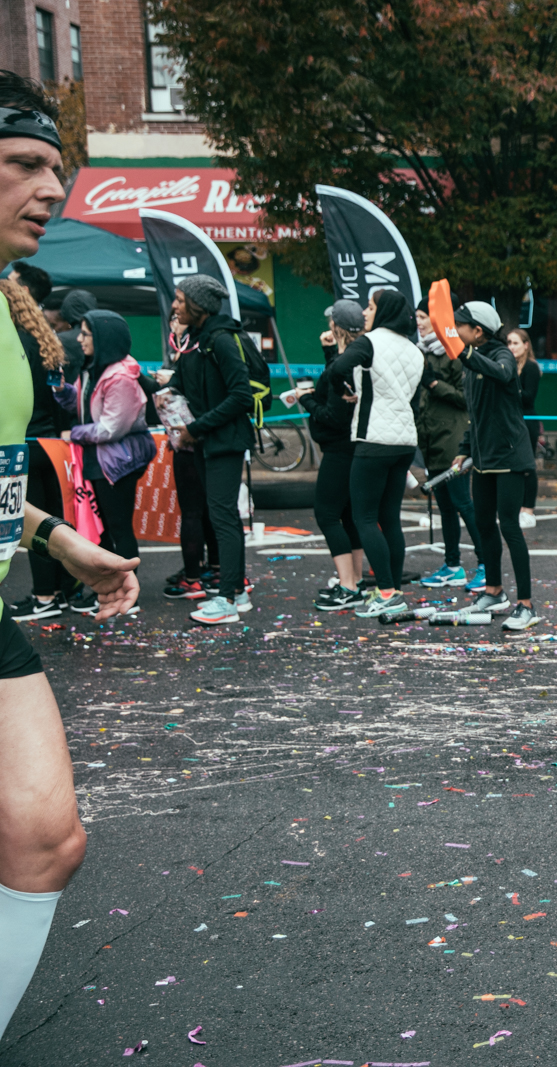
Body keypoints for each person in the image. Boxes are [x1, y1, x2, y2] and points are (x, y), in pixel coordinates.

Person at [0, 69, 140, 1041]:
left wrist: (54, 538)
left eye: (56, 168)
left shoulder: (9, 312)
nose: (52, 189)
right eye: (21, 165)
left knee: (47, 838)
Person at [326, 290, 424, 618]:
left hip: (373, 439)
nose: (366, 313)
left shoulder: (369, 342)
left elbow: (337, 369)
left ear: (383, 312)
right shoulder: (414, 350)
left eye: (370, 307)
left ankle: (387, 592)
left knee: (364, 518)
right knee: (388, 519)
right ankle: (393, 589)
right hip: (405, 440)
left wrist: (344, 392)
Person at [171, 274, 256, 626]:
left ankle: (227, 601)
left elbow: (241, 396)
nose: (173, 306)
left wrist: (195, 428)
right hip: (209, 441)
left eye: (179, 299)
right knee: (225, 517)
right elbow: (188, 385)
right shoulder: (194, 340)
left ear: (198, 305)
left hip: (224, 442)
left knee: (222, 518)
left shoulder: (221, 340)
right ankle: (235, 593)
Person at [56, 310, 155, 613]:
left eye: (85, 333)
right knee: (102, 530)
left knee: (118, 527)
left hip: (116, 462)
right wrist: (63, 391)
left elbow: (112, 428)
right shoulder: (93, 369)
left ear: (103, 339)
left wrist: (73, 433)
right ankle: (110, 587)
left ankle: (128, 591)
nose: (79, 338)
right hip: (97, 459)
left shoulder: (122, 376)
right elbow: (87, 407)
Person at [453, 301, 541, 631]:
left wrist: (465, 355)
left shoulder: (500, 353)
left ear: (477, 330)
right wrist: (464, 449)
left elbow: (504, 373)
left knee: (509, 527)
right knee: (484, 525)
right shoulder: (471, 362)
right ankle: (494, 592)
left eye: (460, 326)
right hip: (484, 459)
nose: (455, 332)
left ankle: (527, 605)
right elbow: (476, 414)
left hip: (509, 457)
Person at [286, 300, 367, 609]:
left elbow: (333, 414)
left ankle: (347, 585)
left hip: (339, 447)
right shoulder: (356, 357)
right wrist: (330, 352)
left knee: (328, 513)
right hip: (353, 445)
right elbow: (338, 380)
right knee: (347, 515)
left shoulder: (345, 362)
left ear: (336, 327)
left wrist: (305, 400)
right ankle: (355, 581)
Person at [3, 276, 74, 621]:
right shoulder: (44, 340)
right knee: (55, 519)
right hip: (52, 445)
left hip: (26, 446)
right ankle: (59, 591)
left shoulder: (13, 342)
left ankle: (45, 596)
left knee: (31, 525)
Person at [411, 299, 483, 591]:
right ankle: (452, 565)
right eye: (416, 317)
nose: (419, 323)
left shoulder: (454, 353)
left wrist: (432, 384)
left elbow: (466, 397)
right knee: (445, 507)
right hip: (431, 440)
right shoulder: (422, 352)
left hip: (453, 439)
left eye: (423, 317)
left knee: (463, 503)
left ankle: (486, 563)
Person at [158, 310, 220, 600]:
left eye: (179, 315)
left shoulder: (195, 350)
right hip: (200, 439)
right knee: (206, 510)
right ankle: (213, 570)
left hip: (192, 440)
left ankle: (194, 578)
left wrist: (168, 384)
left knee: (194, 512)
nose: (173, 322)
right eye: (172, 317)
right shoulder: (190, 349)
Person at [506, 326, 543, 529]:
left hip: (526, 422)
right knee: (514, 467)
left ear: (526, 345)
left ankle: (528, 509)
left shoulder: (530, 367)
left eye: (515, 343)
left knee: (528, 467)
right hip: (511, 421)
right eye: (509, 343)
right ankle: (517, 507)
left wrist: (510, 386)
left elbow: (528, 397)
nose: (511, 347)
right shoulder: (510, 365)